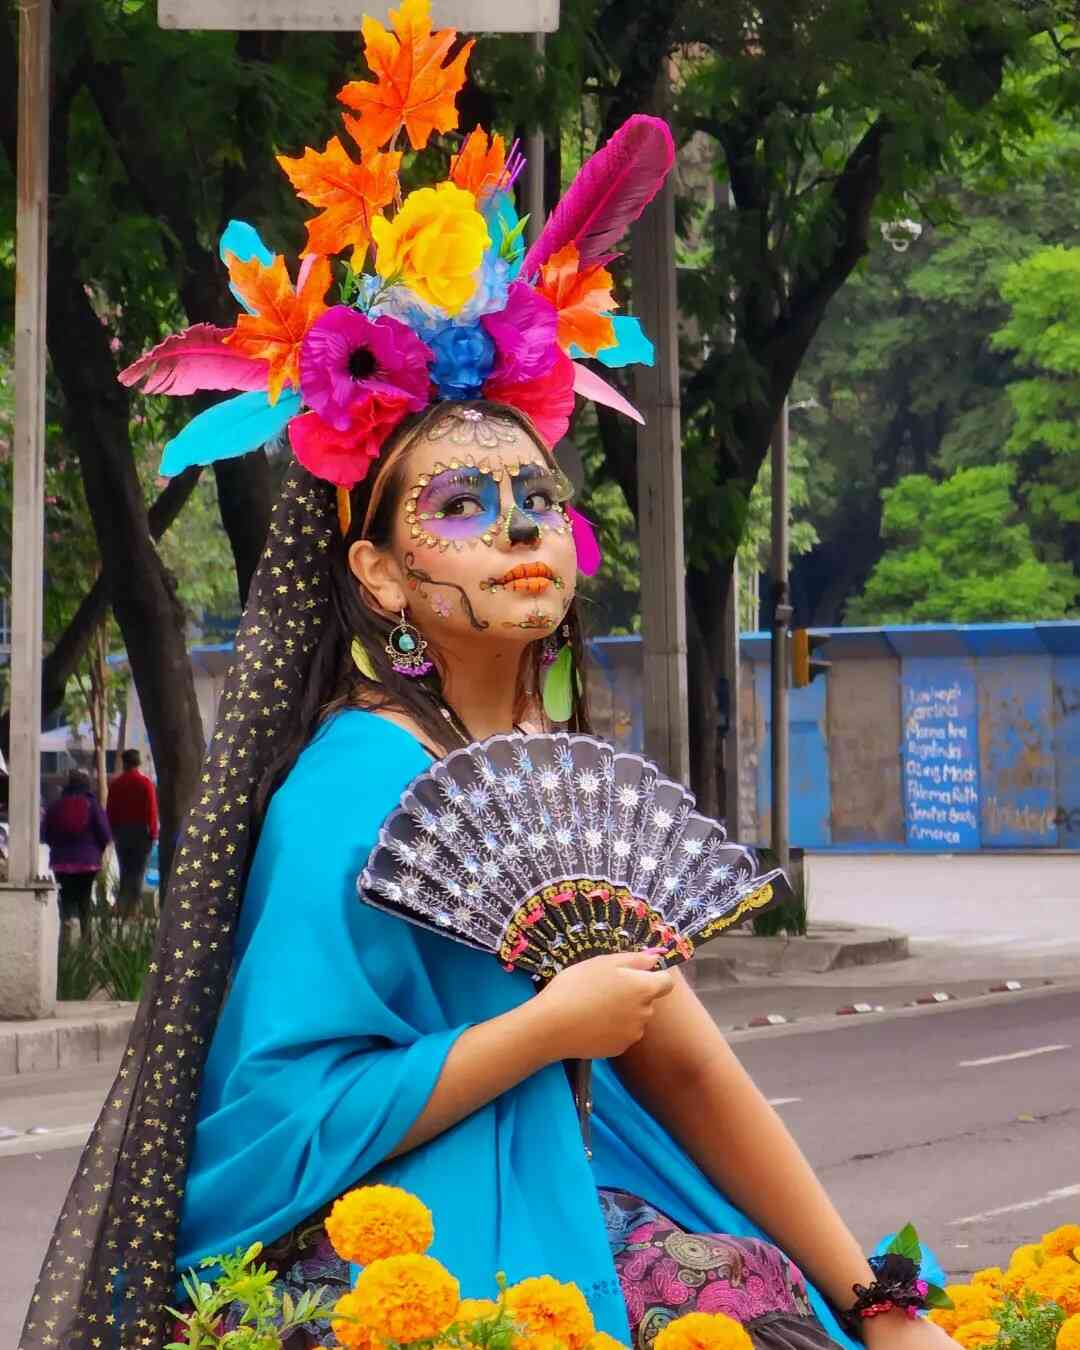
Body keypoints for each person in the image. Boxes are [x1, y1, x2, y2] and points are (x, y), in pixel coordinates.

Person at [21, 11, 961, 1349]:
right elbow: (269, 1126)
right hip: (403, 1259)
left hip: (586, 1193)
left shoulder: (539, 786)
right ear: (382, 576)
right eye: (462, 503)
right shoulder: (356, 784)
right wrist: (545, 1028)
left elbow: (682, 1055)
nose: (521, 526)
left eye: (535, 495)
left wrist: (880, 1300)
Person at [41, 769, 112, 942]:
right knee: (84, 901)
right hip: (87, 863)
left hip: (61, 862)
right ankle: (86, 942)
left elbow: (44, 834)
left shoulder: (56, 805)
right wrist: (98, 850)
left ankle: (65, 940)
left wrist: (58, 847)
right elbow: (105, 834)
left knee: (65, 900)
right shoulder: (92, 805)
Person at [106, 747, 159, 919]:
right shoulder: (145, 783)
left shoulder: (116, 784)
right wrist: (153, 833)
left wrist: (112, 831)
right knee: (138, 871)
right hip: (141, 833)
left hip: (121, 832)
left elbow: (110, 810)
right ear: (138, 763)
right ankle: (133, 909)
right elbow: (151, 810)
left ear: (124, 763)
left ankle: (122, 906)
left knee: (125, 869)